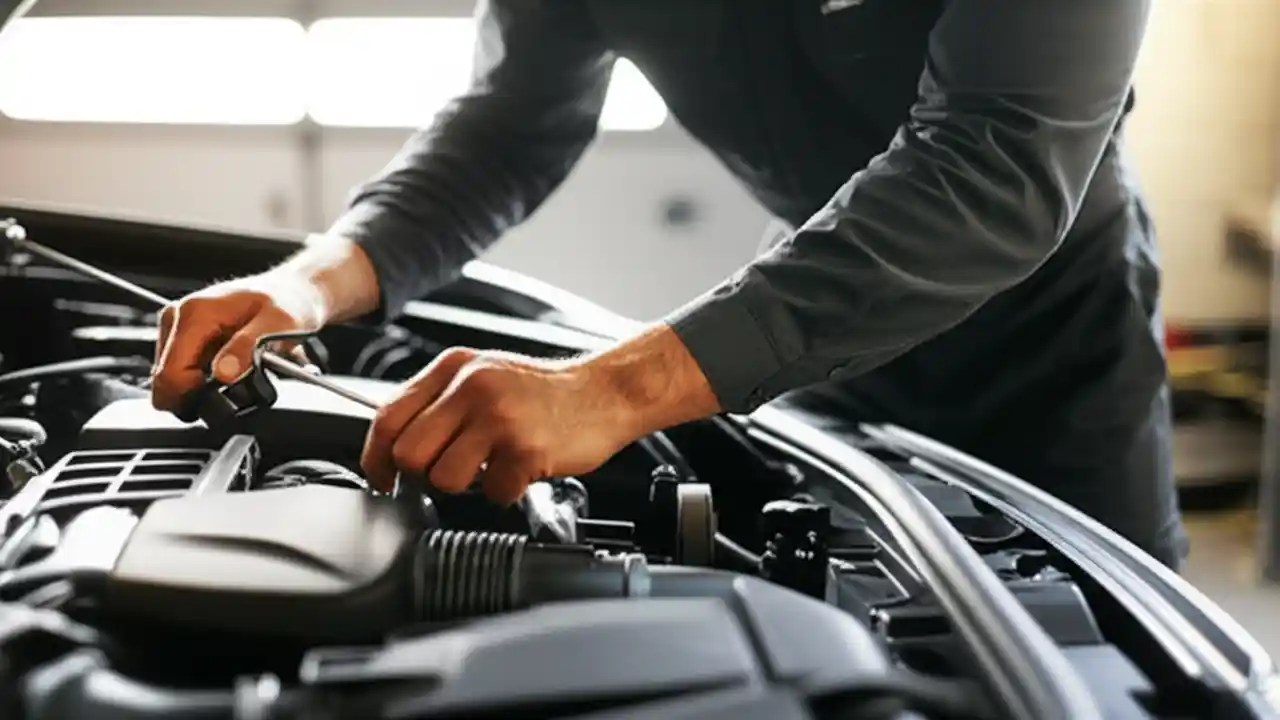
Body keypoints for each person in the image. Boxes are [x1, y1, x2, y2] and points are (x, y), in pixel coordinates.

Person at [151, 0, 1186, 567]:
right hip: (827, 335)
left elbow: (994, 160)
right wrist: (310, 284)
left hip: (1057, 350)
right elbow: (510, 121)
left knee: (1106, 671)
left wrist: (602, 391)